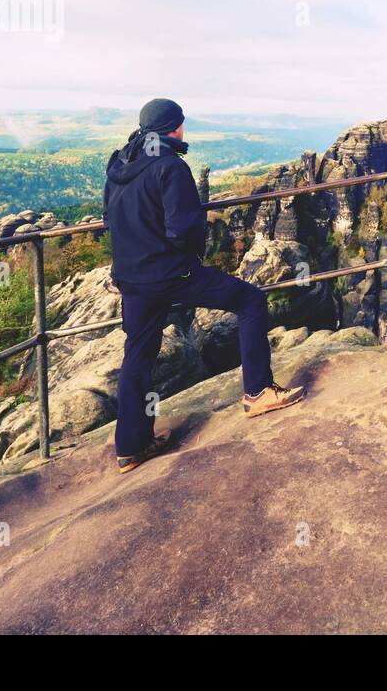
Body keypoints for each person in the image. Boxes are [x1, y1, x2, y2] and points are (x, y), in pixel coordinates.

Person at [103, 98, 304, 472]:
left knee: (138, 355)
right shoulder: (170, 167)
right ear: (174, 128)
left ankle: (132, 446)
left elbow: (108, 221)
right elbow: (184, 229)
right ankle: (259, 392)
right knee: (250, 301)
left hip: (132, 279)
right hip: (170, 274)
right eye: (181, 124)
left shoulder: (120, 164)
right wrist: (193, 250)